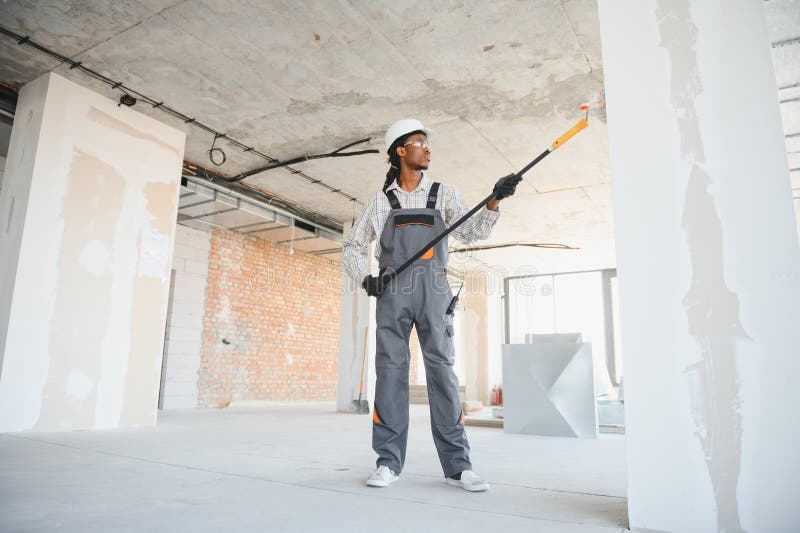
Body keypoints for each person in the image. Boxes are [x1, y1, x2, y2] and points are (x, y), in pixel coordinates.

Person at [341, 118, 521, 492]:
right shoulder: (379, 202)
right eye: (420, 143)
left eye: (427, 144)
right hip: (392, 293)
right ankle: (388, 462)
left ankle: (459, 467)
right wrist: (366, 278)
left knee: (443, 375)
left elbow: (473, 232)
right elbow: (352, 247)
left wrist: (495, 198)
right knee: (390, 375)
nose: (428, 149)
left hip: (435, 290)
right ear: (401, 151)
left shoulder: (444, 194)